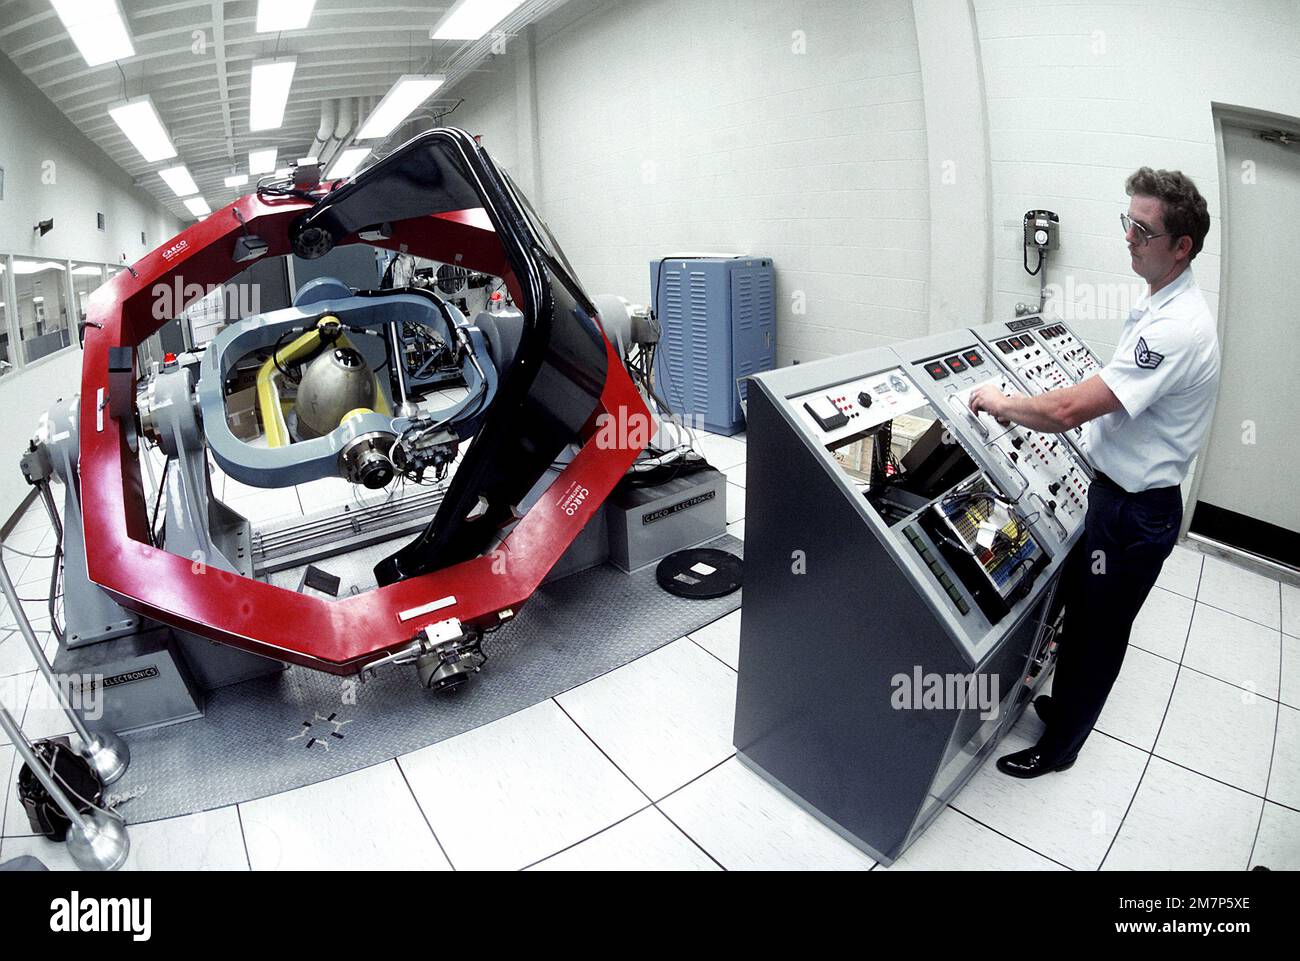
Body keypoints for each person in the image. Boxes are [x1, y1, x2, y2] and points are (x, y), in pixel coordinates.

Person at [968, 167, 1220, 778]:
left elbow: (1067, 408)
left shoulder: (1178, 327)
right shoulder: (1160, 297)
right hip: (1116, 498)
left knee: (1100, 634)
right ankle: (1068, 710)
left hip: (1135, 514)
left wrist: (1000, 402)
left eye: (1142, 228)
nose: (1128, 237)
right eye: (1126, 222)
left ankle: (1059, 750)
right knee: (1082, 618)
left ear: (1181, 246)